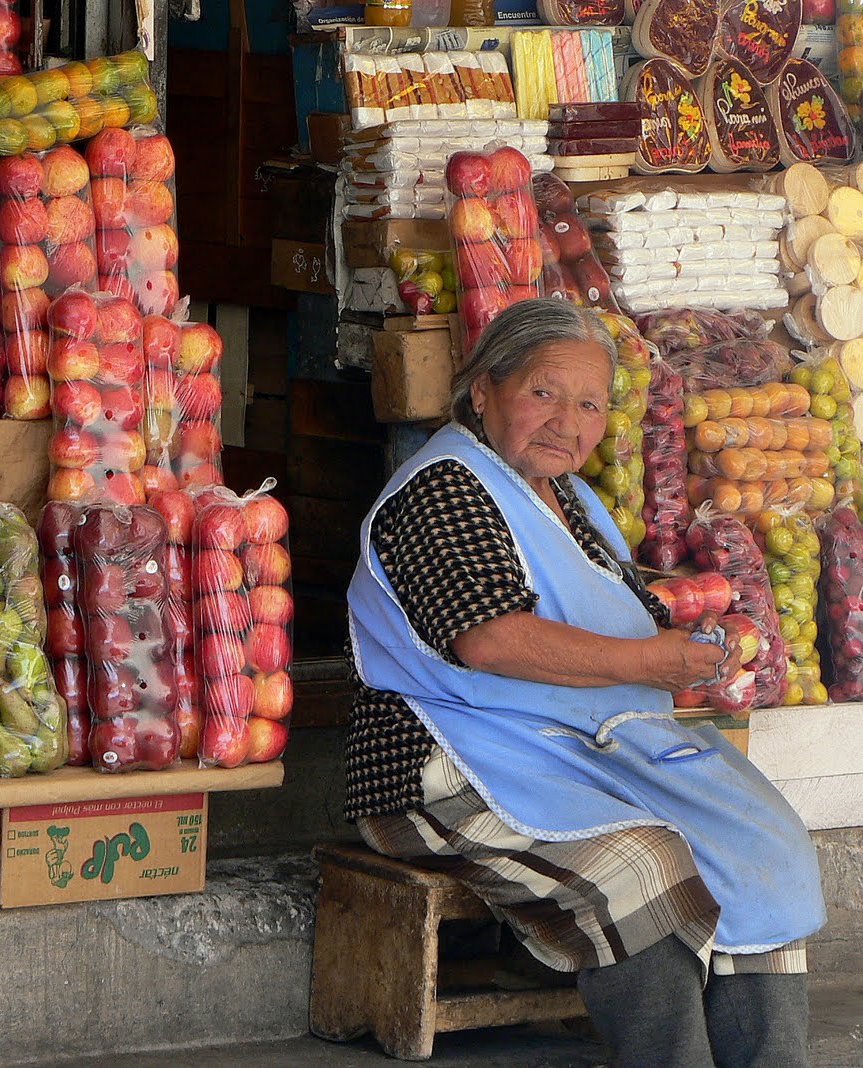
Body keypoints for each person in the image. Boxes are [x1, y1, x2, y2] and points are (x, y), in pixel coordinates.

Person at [344, 298, 825, 1068]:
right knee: (645, 866)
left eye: (590, 404)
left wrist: (701, 647)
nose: (568, 420)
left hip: (573, 757)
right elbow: (492, 639)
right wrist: (653, 664)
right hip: (444, 774)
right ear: (484, 390)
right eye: (544, 392)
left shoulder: (570, 499)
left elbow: (620, 619)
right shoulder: (442, 488)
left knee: (757, 844)